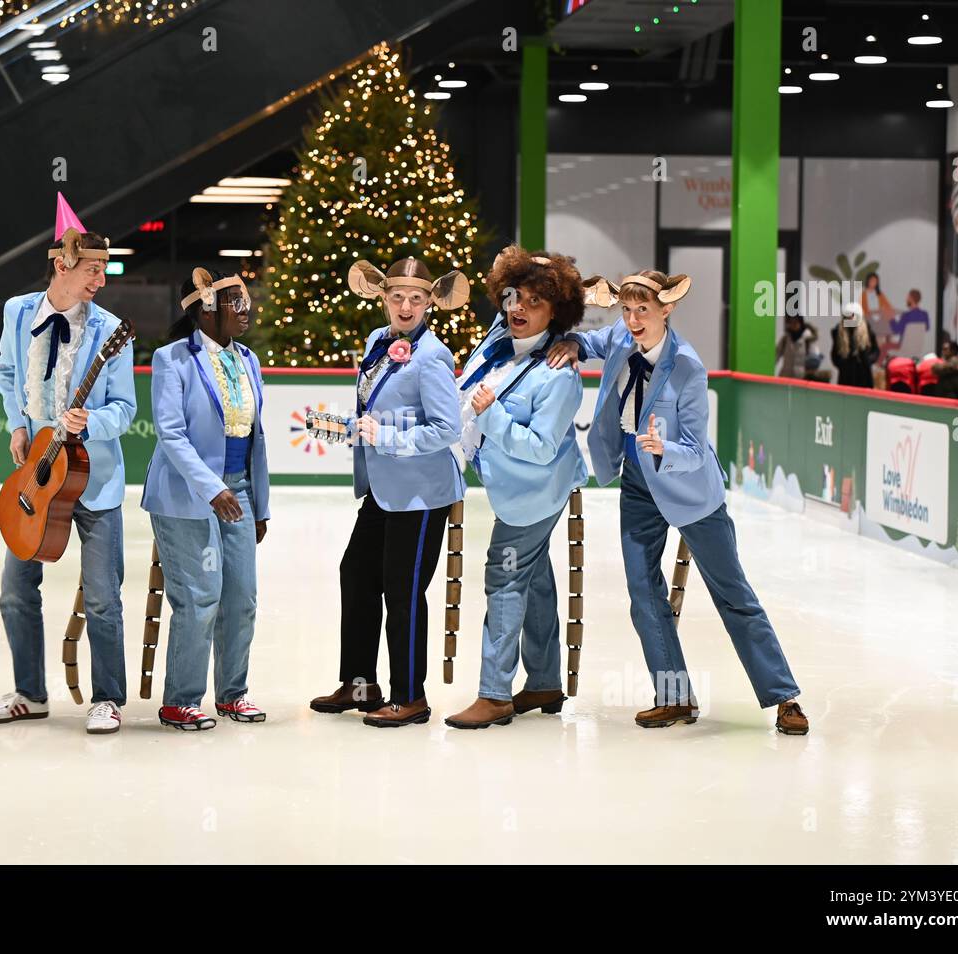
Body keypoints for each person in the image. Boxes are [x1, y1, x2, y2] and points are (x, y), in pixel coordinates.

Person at [546, 269, 809, 736]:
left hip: (690, 491)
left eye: (642, 310)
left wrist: (665, 450)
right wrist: (572, 345)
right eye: (626, 310)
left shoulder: (687, 365)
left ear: (666, 310)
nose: (632, 320)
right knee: (643, 592)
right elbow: (591, 342)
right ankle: (674, 696)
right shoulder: (622, 338)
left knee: (733, 594)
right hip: (637, 487)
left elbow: (696, 445)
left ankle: (783, 696)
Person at [0, 193, 137, 735]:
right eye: (92, 268)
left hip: (94, 481)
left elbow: (126, 408)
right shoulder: (17, 312)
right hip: (36, 475)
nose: (100, 279)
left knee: (103, 597)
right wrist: (18, 426)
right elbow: (6, 375)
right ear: (61, 263)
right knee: (15, 590)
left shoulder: (111, 331)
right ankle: (29, 692)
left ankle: (107, 698)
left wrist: (87, 422)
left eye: (104, 269)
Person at [309, 256, 469, 728]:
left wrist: (389, 437)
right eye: (397, 296)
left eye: (416, 299)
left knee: (403, 591)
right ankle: (360, 684)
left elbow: (446, 428)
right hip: (382, 488)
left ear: (429, 305)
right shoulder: (378, 342)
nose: (405, 306)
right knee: (356, 573)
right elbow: (376, 406)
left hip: (421, 495)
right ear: (382, 298)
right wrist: (354, 431)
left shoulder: (432, 356)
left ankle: (410, 696)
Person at [442, 248, 590, 730]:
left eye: (535, 302)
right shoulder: (499, 339)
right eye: (514, 297)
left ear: (558, 314)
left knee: (504, 577)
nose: (518, 309)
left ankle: (494, 694)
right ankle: (545, 680)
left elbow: (541, 447)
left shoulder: (560, 375)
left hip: (535, 492)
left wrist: (493, 414)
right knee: (535, 578)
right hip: (518, 490)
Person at [143, 268, 270, 730]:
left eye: (247, 301)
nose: (246, 311)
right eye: (236, 302)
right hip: (186, 493)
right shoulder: (172, 359)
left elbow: (256, 437)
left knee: (242, 598)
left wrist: (260, 503)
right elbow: (171, 435)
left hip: (239, 491)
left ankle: (232, 693)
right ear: (206, 308)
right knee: (200, 597)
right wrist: (212, 488)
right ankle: (181, 698)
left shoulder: (249, 360)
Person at [830, 302, 880, 388]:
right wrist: (843, 364)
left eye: (852, 316)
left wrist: (867, 360)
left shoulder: (867, 332)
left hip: (864, 376)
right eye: (847, 316)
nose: (849, 318)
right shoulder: (839, 332)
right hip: (846, 377)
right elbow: (835, 355)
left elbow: (876, 351)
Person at [775, 314, 820, 379]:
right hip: (785, 377)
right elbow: (776, 355)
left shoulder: (809, 339)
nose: (793, 325)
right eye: (791, 322)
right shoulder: (785, 339)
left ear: (801, 323)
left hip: (802, 379)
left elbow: (814, 359)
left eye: (795, 322)